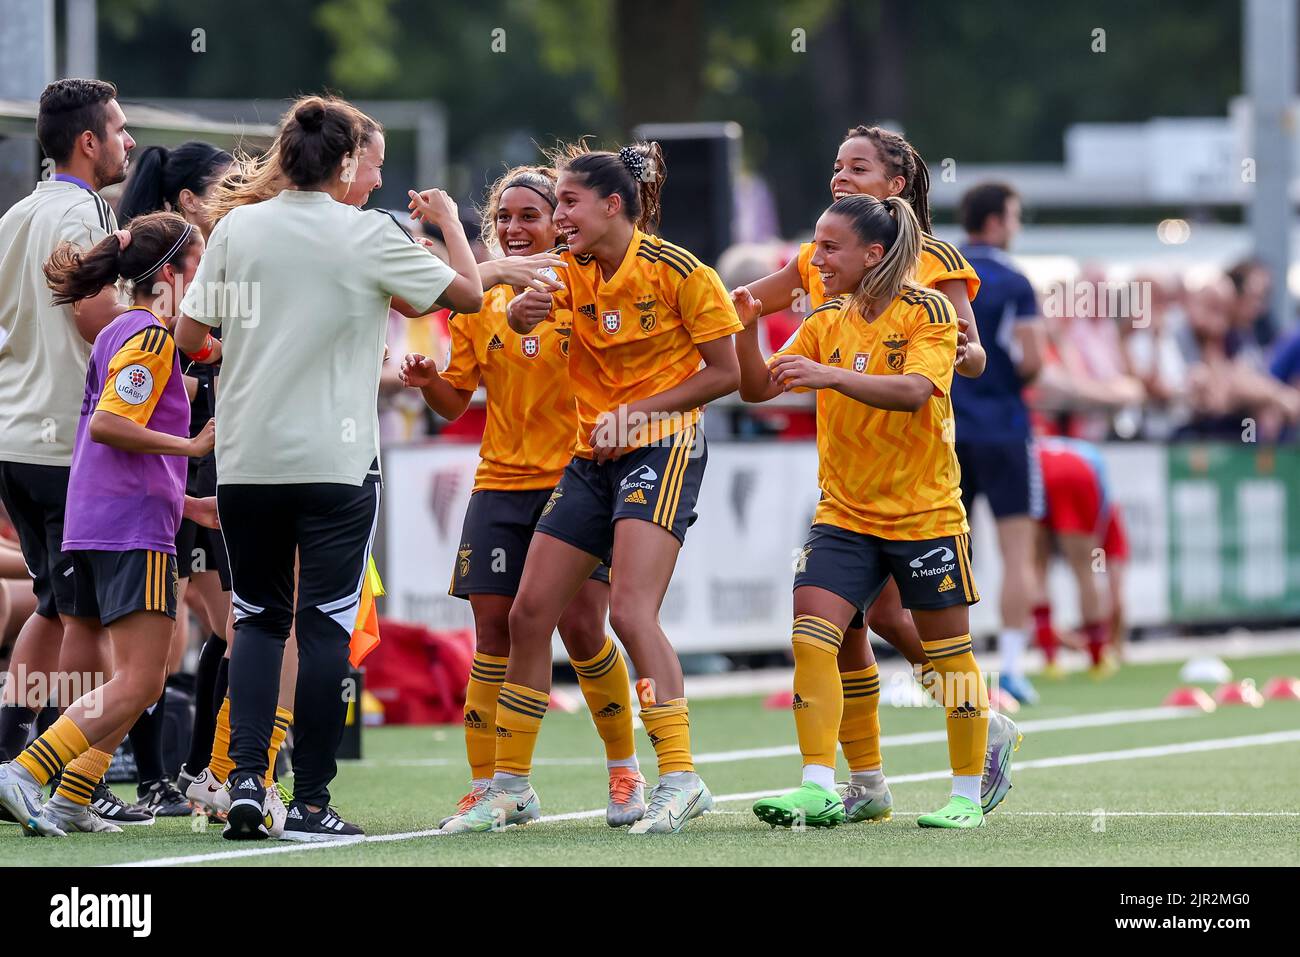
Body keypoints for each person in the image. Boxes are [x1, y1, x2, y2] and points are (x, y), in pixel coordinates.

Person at [175, 94, 484, 841]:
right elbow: (469, 297)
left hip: (248, 458)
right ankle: (311, 799)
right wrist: (445, 223)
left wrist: (255, 353)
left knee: (255, 619)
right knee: (323, 628)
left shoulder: (239, 227)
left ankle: (247, 779)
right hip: (337, 460)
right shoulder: (367, 233)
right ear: (347, 162)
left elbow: (189, 335)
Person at [439, 140, 742, 836]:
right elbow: (496, 301)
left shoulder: (679, 271)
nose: (558, 215)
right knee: (526, 614)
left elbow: (725, 373)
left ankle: (679, 776)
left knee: (629, 613)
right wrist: (517, 314)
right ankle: (509, 785)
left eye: (567, 203)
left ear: (613, 205)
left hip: (662, 448)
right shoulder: (566, 271)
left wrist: (640, 413)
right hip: (588, 457)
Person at [734, 125, 1017, 821]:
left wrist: (950, 354)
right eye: (835, 165)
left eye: (856, 167)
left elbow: (969, 356)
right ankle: (854, 780)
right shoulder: (824, 268)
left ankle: (971, 730)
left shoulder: (932, 267)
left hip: (919, 485)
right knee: (840, 626)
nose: (839, 175)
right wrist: (730, 317)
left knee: (894, 620)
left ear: (895, 187)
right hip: (848, 493)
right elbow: (748, 314)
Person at [400, 165, 645, 828]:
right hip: (499, 483)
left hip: (575, 481)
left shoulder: (586, 286)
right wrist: (426, 381)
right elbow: (454, 402)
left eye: (529, 215)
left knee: (584, 627)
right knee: (492, 632)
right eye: (504, 217)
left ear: (558, 224)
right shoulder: (478, 299)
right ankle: (495, 787)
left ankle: (626, 771)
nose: (513, 228)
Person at [0, 212, 217, 835]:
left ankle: (73, 796)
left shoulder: (120, 329)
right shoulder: (149, 336)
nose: (205, 280)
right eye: (198, 266)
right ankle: (27, 771)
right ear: (171, 274)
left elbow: (108, 446)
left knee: (130, 677)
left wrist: (188, 504)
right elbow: (109, 426)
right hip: (130, 531)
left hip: (96, 523)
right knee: (143, 679)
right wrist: (193, 450)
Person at [0, 78, 153, 827]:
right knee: (83, 617)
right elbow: (96, 315)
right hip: (69, 442)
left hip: (14, 437)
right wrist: (153, 328)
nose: (128, 142)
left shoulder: (17, 212)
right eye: (119, 129)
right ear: (87, 142)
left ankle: (17, 754)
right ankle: (50, 774)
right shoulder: (86, 208)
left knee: (53, 604)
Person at [116, 140, 234, 816]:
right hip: (172, 461)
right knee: (164, 641)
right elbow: (139, 381)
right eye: (227, 185)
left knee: (217, 625)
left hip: (194, 459)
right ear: (190, 200)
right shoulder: (168, 273)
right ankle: (155, 771)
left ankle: (188, 769)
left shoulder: (212, 259)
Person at [953, 182, 1049, 705]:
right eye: (1012, 217)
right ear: (995, 221)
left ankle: (951, 669)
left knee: (947, 552)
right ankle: (1011, 667)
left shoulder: (939, 267)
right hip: (1006, 428)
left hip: (948, 429)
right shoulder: (1014, 281)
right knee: (1017, 551)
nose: (1015, 226)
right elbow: (1032, 359)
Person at [1031, 438, 1128, 678]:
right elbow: (1103, 506)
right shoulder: (1087, 454)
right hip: (1076, 475)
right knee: (1086, 572)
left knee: (1037, 570)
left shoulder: (1040, 446)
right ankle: (1097, 660)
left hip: (1034, 469)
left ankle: (1050, 661)